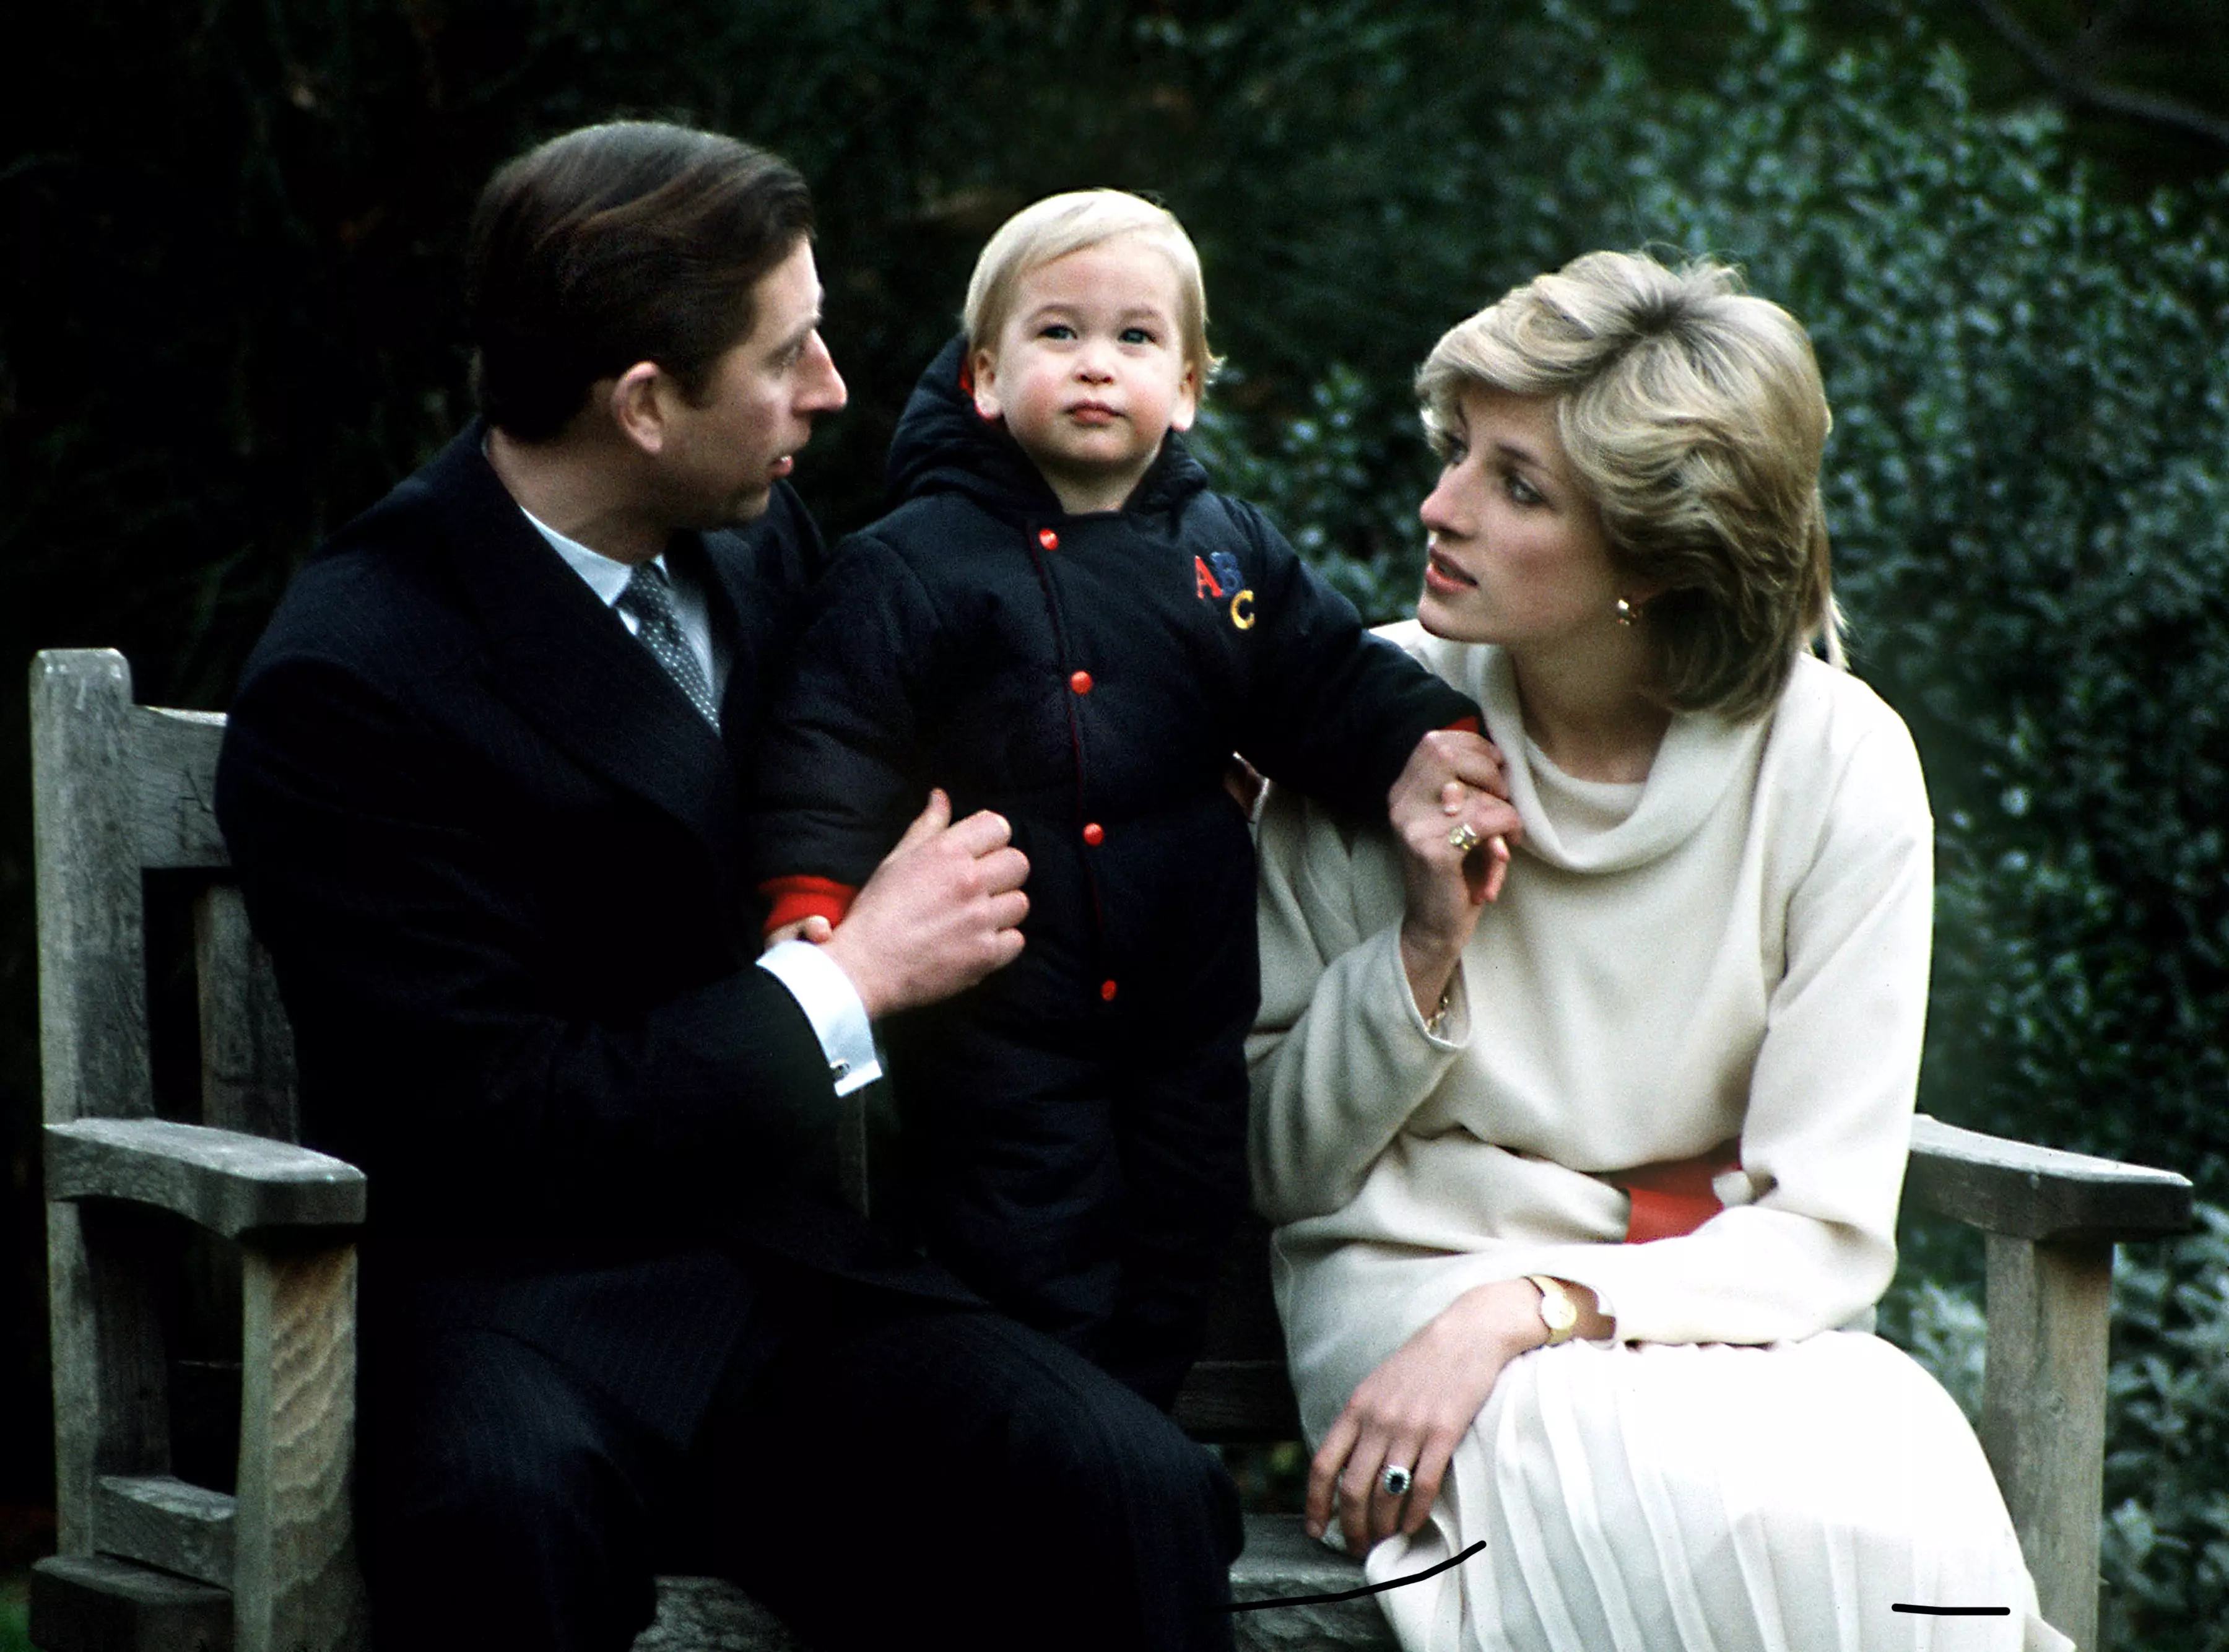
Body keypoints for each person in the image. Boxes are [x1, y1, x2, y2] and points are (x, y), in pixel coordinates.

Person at [215, 122, 1246, 1652]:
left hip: (784, 1276)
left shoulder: (753, 549)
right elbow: (491, 1115)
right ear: (643, 405)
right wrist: (850, 979)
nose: (832, 389)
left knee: (1125, 1482)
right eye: (787, 356)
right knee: (499, 1531)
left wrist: (1175, 743)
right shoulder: (361, 671)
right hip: (514, 1305)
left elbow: (964, 694)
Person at [1247, 250, 2071, 1651]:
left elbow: (1824, 1227)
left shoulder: (1839, 762)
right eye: (1459, 452)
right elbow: (1278, 1160)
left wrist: (1540, 1301)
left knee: (1906, 1500)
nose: (1439, 506)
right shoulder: (1360, 721)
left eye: (1518, 486)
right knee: (1660, 1498)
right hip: (1415, 1284)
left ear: (1658, 558)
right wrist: (1424, 946)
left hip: (1721, 1317)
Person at [749, 189, 1497, 1411]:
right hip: (1002, 1021)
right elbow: (832, 739)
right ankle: (1051, 1464)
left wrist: (1433, 738)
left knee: (1172, 1245)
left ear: (1190, 386)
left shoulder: (1226, 555)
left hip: (1183, 1009)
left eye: (1136, 339)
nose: (1097, 363)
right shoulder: (913, 562)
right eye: (1057, 335)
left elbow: (1322, 682)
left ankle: (1135, 1460)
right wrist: (812, 899)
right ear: (986, 379)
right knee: (1022, 1258)